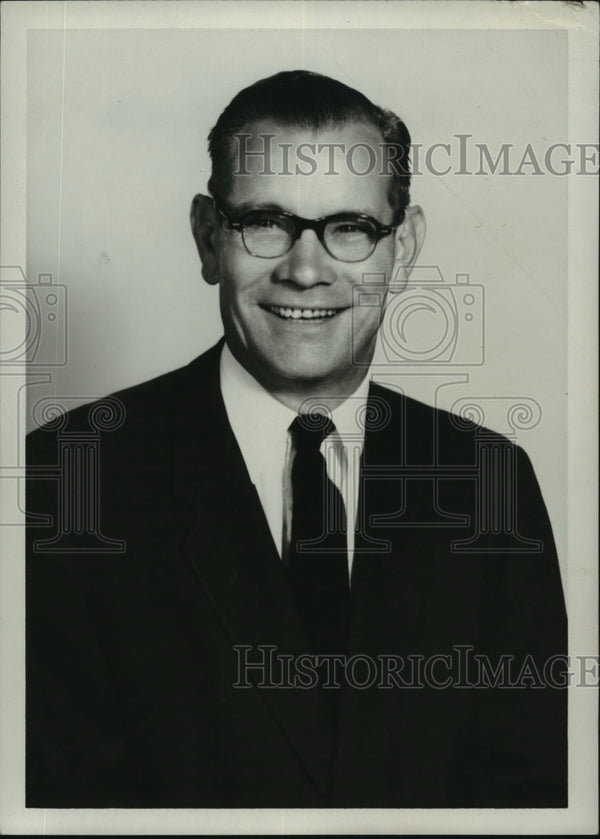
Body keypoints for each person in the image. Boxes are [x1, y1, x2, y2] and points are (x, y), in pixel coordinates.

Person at [26, 70, 567, 808]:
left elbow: (528, 795)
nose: (306, 270)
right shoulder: (67, 481)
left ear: (403, 247)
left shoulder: (490, 483)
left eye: (349, 228)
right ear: (208, 237)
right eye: (265, 222)